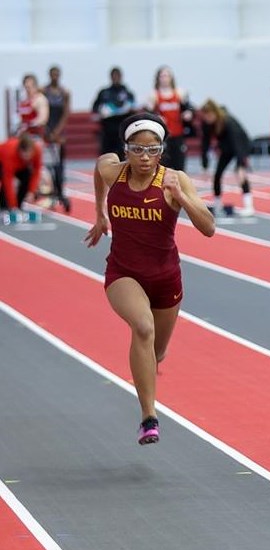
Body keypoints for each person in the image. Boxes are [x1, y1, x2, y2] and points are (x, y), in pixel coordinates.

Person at [82, 114, 217, 444]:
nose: (144, 157)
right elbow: (100, 169)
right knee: (142, 327)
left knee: (155, 351)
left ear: (161, 151)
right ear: (126, 150)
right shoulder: (115, 171)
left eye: (152, 150)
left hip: (166, 279)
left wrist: (181, 198)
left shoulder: (174, 179)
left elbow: (210, 228)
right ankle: (149, 417)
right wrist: (100, 213)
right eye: (137, 150)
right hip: (123, 273)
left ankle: (152, 361)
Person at [198, 100, 254, 217]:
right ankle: (217, 204)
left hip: (241, 145)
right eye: (205, 116)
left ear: (215, 113)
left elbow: (237, 143)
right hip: (226, 148)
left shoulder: (228, 121)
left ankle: (249, 206)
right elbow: (205, 143)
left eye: (209, 116)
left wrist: (241, 164)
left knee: (240, 175)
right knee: (217, 175)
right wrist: (205, 165)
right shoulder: (207, 124)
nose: (207, 118)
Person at [149, 67, 192, 171]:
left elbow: (189, 108)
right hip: (164, 136)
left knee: (180, 167)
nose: (165, 79)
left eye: (167, 76)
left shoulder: (179, 93)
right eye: (162, 76)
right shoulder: (154, 95)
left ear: (171, 78)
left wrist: (188, 113)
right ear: (158, 78)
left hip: (178, 135)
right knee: (164, 167)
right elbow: (148, 114)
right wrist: (156, 118)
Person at [0, 133, 48, 225]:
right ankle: (5, 205)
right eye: (25, 155)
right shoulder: (10, 153)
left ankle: (19, 205)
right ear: (20, 151)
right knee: (5, 187)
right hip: (2, 161)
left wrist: (31, 191)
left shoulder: (37, 150)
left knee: (27, 176)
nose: (27, 158)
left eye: (29, 155)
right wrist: (12, 205)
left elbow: (37, 171)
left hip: (20, 165)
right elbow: (8, 182)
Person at [42, 66, 70, 210]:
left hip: (58, 133)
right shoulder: (43, 91)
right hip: (46, 132)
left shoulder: (64, 93)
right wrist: (47, 131)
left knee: (59, 165)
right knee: (47, 165)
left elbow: (66, 114)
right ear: (49, 75)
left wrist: (57, 132)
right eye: (52, 74)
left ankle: (60, 192)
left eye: (57, 74)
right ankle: (50, 191)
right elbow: (41, 112)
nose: (54, 77)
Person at [91, 67, 135, 158]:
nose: (116, 78)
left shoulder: (127, 93)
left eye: (117, 76)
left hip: (122, 129)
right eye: (114, 76)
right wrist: (101, 112)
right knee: (106, 155)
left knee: (122, 155)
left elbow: (133, 109)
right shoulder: (104, 93)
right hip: (108, 129)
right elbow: (95, 108)